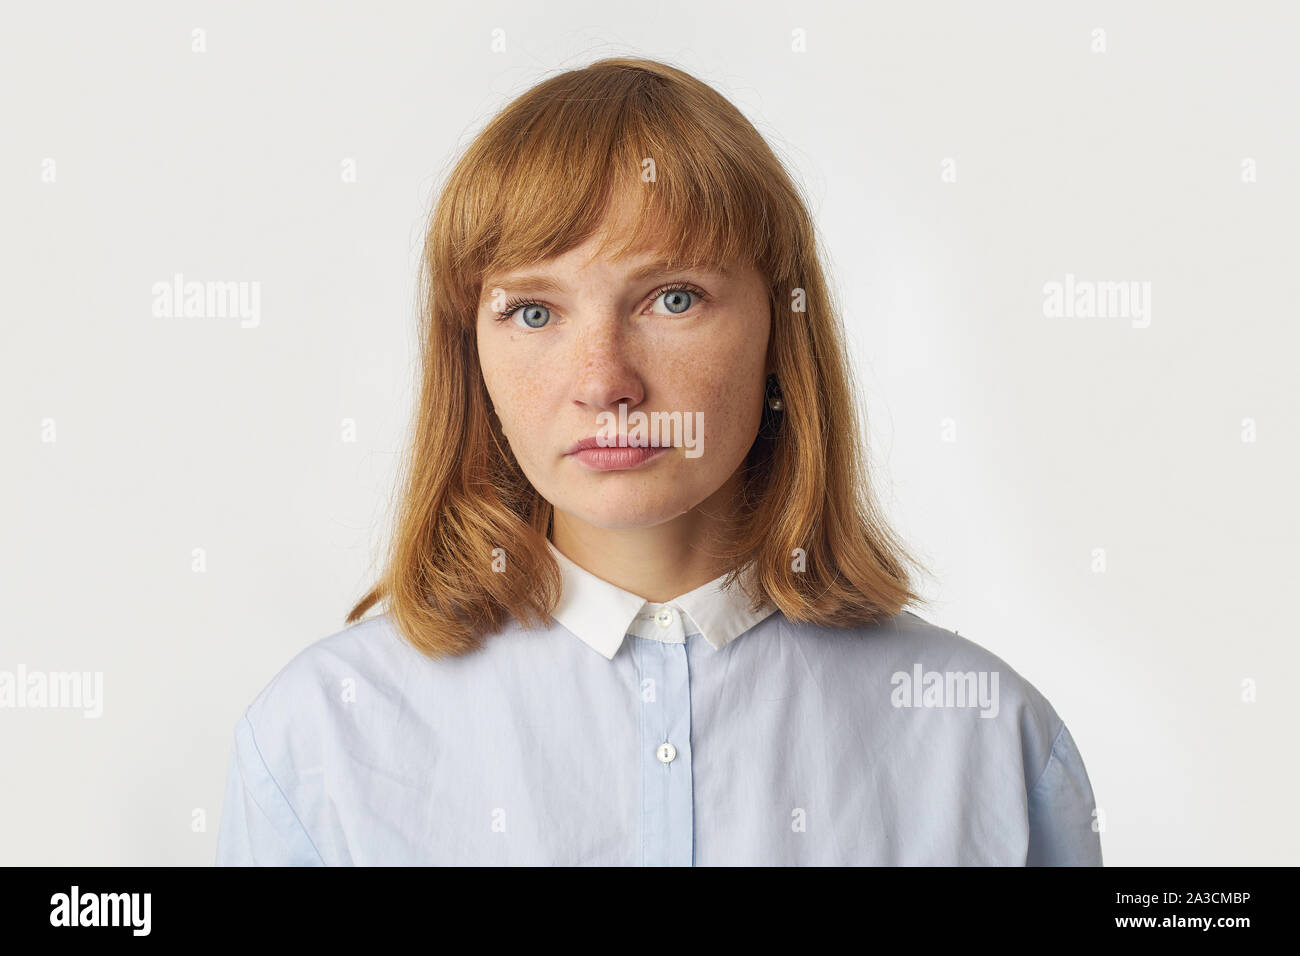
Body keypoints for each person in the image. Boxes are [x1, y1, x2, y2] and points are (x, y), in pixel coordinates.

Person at [215, 56, 1102, 866]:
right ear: (468, 355)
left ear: (778, 331)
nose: (605, 382)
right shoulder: (319, 741)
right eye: (532, 312)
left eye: (672, 298)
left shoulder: (988, 741)